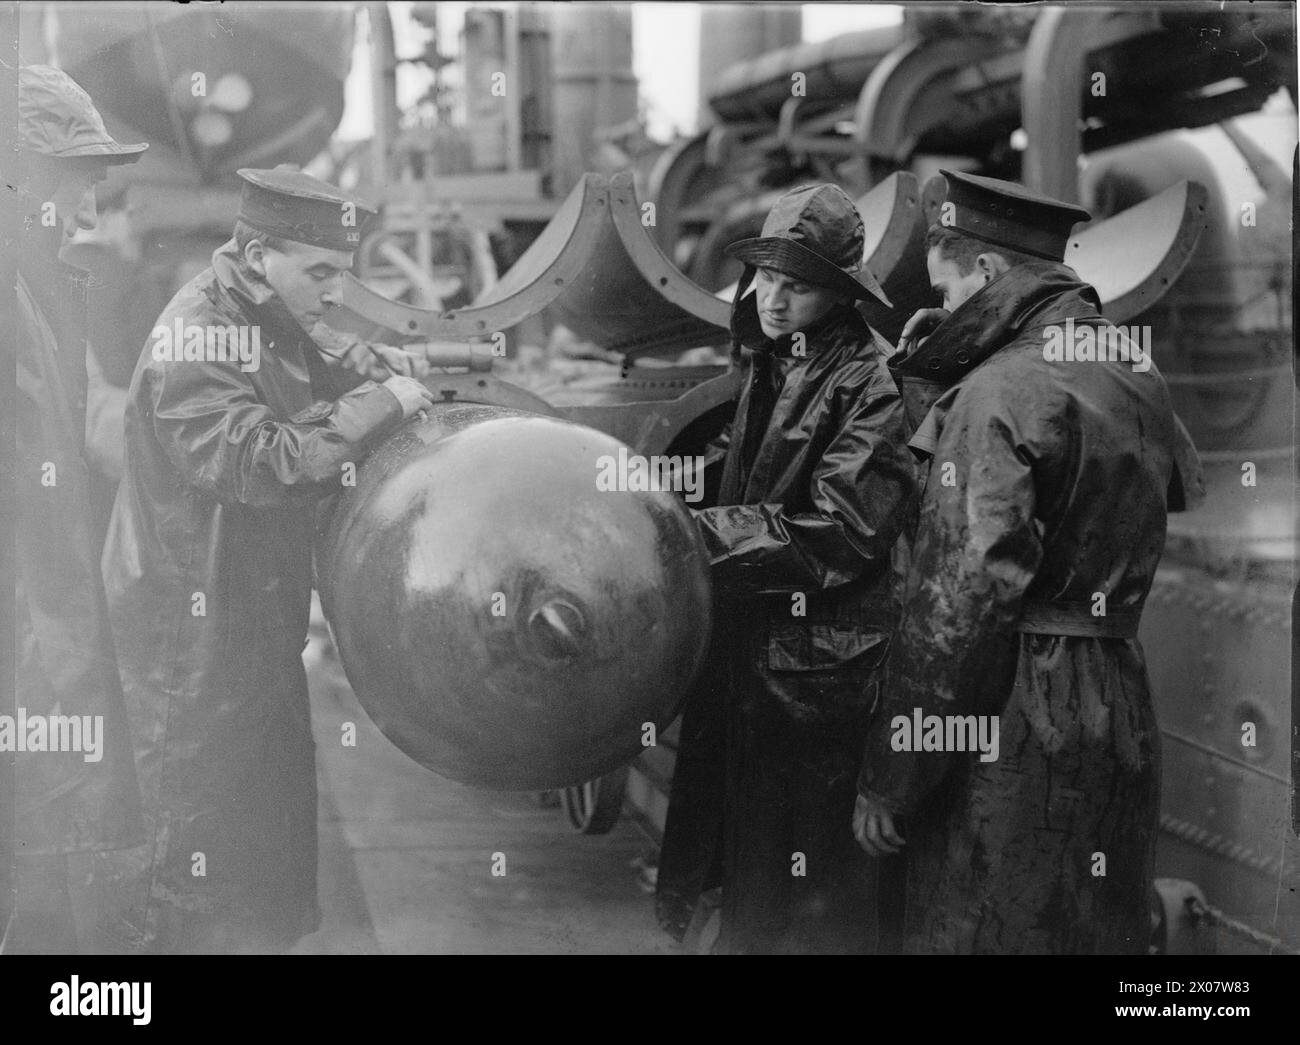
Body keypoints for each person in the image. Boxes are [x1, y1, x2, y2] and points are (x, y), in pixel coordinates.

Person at [853, 170, 1200, 954]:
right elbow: (1164, 494)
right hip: (1117, 704)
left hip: (1010, 715)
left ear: (985, 274)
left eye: (944, 293)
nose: (938, 311)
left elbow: (961, 605)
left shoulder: (998, 391)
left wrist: (893, 770)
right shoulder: (1136, 370)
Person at [96, 166, 436, 954]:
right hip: (186, 648)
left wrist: (383, 370)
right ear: (255, 256)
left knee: (255, 860)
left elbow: (320, 352)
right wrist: (385, 406)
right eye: (320, 273)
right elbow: (263, 461)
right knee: (184, 863)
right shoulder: (197, 338)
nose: (333, 291)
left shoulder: (263, 311)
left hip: (244, 627)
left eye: (341, 274)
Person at [655, 183, 916, 953]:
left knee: (801, 893)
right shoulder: (778, 359)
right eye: (766, 278)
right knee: (747, 871)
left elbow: (839, 529)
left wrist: (685, 538)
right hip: (758, 655)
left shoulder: (873, 385)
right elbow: (746, 470)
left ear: (837, 296)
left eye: (796, 286)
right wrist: (648, 492)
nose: (773, 299)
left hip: (817, 679)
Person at [6, 64, 149, 953]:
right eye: (76, 182)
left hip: (50, 641)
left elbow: (96, 422)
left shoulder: (45, 289)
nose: (92, 208)